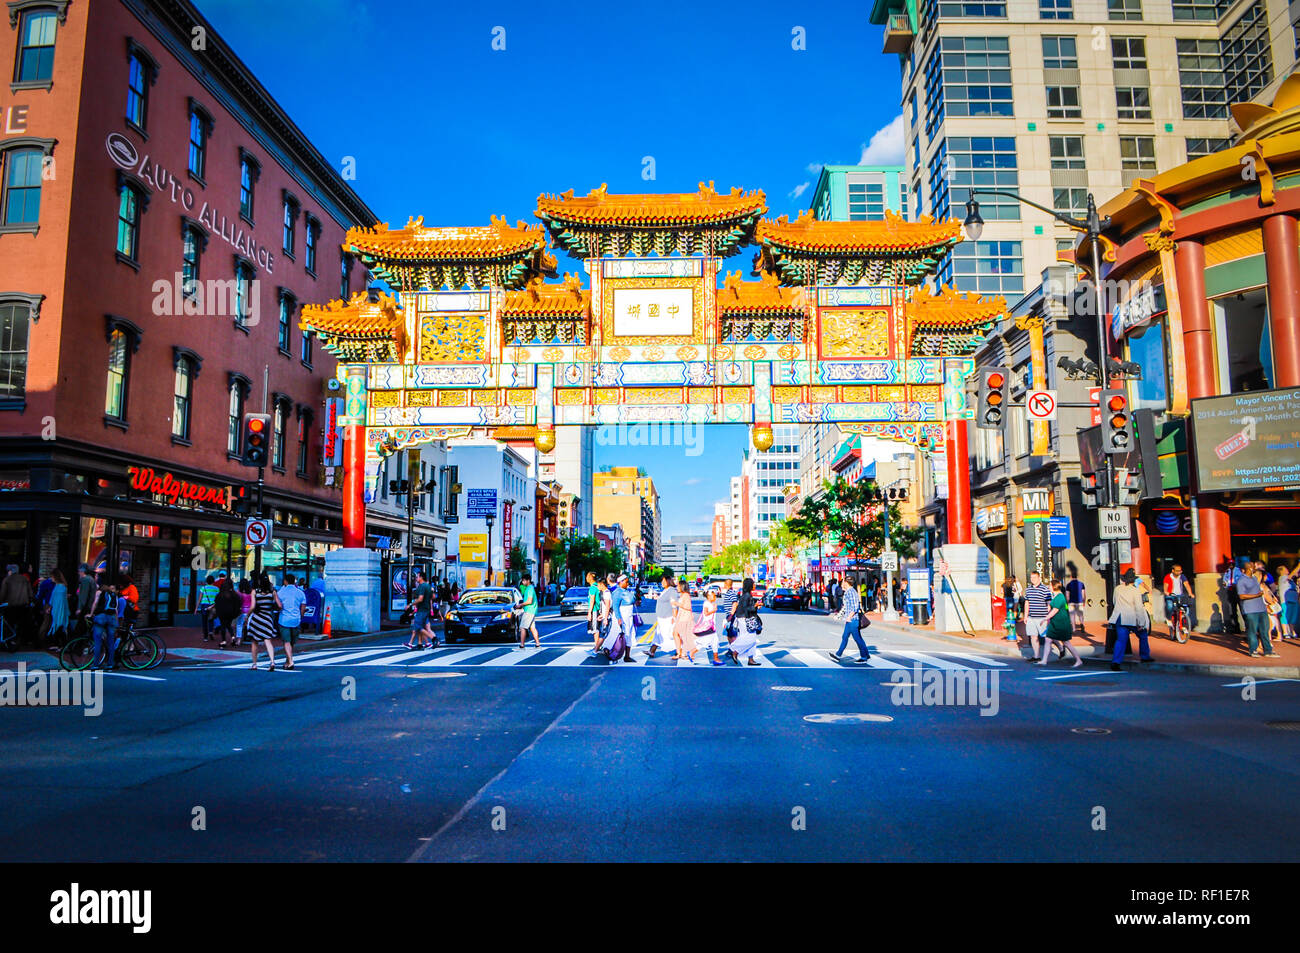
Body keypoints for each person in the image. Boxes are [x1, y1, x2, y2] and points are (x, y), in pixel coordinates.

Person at [1109, 569, 1153, 670]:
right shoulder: (1135, 590)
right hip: (1131, 617)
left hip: (1120, 616)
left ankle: (1116, 661)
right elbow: (1138, 607)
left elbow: (1114, 601)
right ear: (1133, 580)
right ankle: (1144, 656)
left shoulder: (1117, 589)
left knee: (1120, 640)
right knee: (1143, 635)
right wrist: (1141, 622)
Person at [1036, 579, 1083, 668]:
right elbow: (1051, 607)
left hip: (1061, 624)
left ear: (1054, 586)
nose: (1048, 587)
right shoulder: (1056, 596)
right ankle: (1044, 660)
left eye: (1050, 585)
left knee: (1066, 643)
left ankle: (1078, 660)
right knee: (1048, 639)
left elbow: (1055, 610)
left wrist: (1045, 619)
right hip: (1055, 623)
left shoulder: (1060, 597)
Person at [1236, 562, 1279, 658]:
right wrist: (1257, 595)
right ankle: (1253, 650)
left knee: (1265, 630)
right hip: (1250, 610)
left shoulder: (1255, 579)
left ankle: (1268, 650)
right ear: (1248, 569)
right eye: (1253, 567)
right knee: (1252, 631)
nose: (1254, 568)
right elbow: (1241, 596)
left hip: (1261, 608)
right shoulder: (1241, 581)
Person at [829, 571, 871, 663]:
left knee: (856, 638)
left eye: (843, 582)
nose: (842, 584)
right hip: (851, 619)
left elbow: (855, 606)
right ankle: (839, 655)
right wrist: (839, 616)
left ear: (847, 583)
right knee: (846, 637)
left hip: (852, 620)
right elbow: (845, 606)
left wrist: (849, 617)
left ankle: (863, 657)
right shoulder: (849, 592)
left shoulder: (851, 592)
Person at [246, 572, 281, 670]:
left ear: (259, 581)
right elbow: (279, 605)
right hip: (267, 618)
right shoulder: (273, 592)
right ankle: (272, 662)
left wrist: (247, 616)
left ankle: (254, 664)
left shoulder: (255, 591)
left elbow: (252, 606)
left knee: (254, 641)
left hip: (257, 617)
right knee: (268, 641)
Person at [726, 578, 763, 666]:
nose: (754, 586)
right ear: (749, 585)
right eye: (753, 584)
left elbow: (747, 608)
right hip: (745, 619)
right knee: (752, 639)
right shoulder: (747, 596)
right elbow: (747, 609)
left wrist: (756, 606)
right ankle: (733, 650)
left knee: (749, 638)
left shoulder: (746, 595)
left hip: (742, 618)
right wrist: (756, 605)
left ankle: (750, 659)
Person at [276, 572, 308, 669]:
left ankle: (290, 661)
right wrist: (301, 616)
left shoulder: (280, 592)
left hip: (284, 619)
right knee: (292, 642)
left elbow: (278, 606)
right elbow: (303, 607)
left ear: (285, 581)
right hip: (296, 619)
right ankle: (288, 661)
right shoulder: (300, 592)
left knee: (286, 641)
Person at [87, 578, 118, 670]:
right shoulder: (113, 594)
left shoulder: (99, 592)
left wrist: (91, 614)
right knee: (111, 642)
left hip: (101, 617)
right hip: (111, 618)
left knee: (97, 641)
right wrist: (116, 621)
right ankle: (110, 664)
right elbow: (116, 609)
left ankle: (96, 664)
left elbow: (95, 603)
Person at [646, 569, 677, 659]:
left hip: (667, 617)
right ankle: (651, 651)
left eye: (663, 581)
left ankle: (680, 650)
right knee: (658, 635)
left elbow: (674, 605)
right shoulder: (665, 590)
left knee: (668, 636)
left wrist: (674, 618)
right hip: (662, 617)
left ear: (668, 581)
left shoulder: (672, 591)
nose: (662, 583)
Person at [1022, 571, 1053, 659]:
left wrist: (1048, 617)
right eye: (1031, 577)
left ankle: (1060, 647)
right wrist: (1025, 616)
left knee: (1047, 636)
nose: (1033, 579)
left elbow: (1049, 604)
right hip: (1031, 617)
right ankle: (1036, 656)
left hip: (1042, 617)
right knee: (1033, 636)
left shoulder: (1045, 589)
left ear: (1039, 578)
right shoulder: (1028, 589)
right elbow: (1027, 603)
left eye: (1034, 577)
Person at [607, 574, 637, 662]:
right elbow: (615, 607)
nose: (628, 584)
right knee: (620, 636)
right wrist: (619, 618)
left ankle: (627, 656)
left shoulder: (626, 591)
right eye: (626, 582)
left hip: (629, 616)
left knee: (629, 635)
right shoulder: (617, 592)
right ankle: (613, 653)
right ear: (621, 582)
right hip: (623, 616)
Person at [0, 563, 33, 645]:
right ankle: (22, 640)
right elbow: (30, 593)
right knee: (23, 623)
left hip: (10, 606)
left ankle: (10, 640)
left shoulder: (7, 580)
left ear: (10, 571)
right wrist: (30, 601)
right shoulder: (25, 579)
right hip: (23, 606)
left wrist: (1, 602)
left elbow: (2, 594)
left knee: (9, 623)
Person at [406, 570, 436, 650]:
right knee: (421, 626)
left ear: (421, 577)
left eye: (417, 577)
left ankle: (433, 639)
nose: (416, 578)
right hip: (426, 609)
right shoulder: (428, 586)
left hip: (422, 609)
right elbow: (433, 597)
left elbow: (420, 599)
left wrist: (410, 604)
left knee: (418, 626)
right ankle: (419, 644)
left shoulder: (422, 586)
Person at [695, 589, 725, 665]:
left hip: (711, 626)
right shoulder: (706, 603)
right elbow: (705, 613)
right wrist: (714, 610)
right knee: (705, 642)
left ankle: (716, 658)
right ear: (708, 596)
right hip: (708, 626)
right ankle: (692, 652)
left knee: (715, 641)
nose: (715, 597)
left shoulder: (711, 603)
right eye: (713, 595)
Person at [671, 579, 697, 662]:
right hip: (681, 618)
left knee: (683, 636)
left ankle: (684, 653)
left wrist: (676, 603)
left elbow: (688, 607)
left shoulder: (686, 595)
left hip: (685, 619)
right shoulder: (682, 595)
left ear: (682, 586)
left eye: (678, 586)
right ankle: (680, 653)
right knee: (676, 634)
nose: (677, 587)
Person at [1162, 563, 1194, 630]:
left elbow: (1186, 584)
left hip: (1180, 595)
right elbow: (1165, 586)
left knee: (1185, 608)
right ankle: (1168, 619)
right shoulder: (1168, 577)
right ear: (1173, 570)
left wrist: (1190, 593)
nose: (1179, 572)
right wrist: (1166, 592)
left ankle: (1183, 621)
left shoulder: (1182, 576)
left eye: (1180, 571)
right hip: (1171, 595)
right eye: (1177, 571)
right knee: (1169, 606)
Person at [214, 576, 241, 648]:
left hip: (222, 612)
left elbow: (217, 603)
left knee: (223, 625)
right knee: (228, 624)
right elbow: (238, 603)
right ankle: (232, 637)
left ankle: (224, 641)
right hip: (231, 613)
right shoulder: (234, 595)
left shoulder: (220, 595)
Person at [517, 573, 540, 649]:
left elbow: (529, 601)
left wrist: (521, 605)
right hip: (532, 610)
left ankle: (522, 644)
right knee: (532, 628)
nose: (523, 582)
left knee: (522, 627)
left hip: (529, 610)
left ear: (528, 580)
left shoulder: (530, 588)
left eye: (524, 581)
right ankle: (537, 643)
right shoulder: (529, 588)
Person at [47, 568, 70, 644]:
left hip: (59, 610)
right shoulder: (60, 587)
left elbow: (55, 599)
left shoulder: (60, 587)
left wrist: (50, 607)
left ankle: (61, 644)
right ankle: (60, 644)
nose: (51, 579)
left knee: (59, 625)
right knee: (59, 625)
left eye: (52, 577)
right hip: (58, 609)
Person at [1221, 561, 1244, 634]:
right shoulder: (1227, 571)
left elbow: (1241, 580)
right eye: (1229, 564)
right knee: (1233, 610)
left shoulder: (1238, 570)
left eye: (1232, 564)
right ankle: (1236, 627)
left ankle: (1247, 626)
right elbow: (1225, 581)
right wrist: (1225, 584)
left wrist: (1236, 585)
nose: (1230, 566)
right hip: (1230, 591)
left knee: (1242, 609)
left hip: (1237, 590)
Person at [74, 564, 96, 637]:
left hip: (85, 608)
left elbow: (84, 595)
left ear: (82, 571)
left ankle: (77, 646)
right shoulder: (91, 579)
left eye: (79, 571)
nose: (78, 573)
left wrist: (80, 608)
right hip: (88, 607)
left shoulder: (85, 580)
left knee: (80, 628)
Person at [196, 574, 219, 641]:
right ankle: (211, 631)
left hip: (204, 605)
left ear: (206, 581)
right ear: (213, 581)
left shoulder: (203, 588)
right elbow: (217, 599)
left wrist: (196, 608)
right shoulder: (216, 589)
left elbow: (199, 599)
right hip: (212, 605)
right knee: (211, 619)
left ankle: (205, 637)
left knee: (204, 621)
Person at [1279, 564, 1298, 641]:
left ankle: (1292, 630)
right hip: (1286, 601)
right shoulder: (1282, 578)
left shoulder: (1291, 581)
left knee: (1293, 616)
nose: (1287, 570)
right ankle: (1285, 632)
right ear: (1281, 571)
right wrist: (1298, 567)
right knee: (1285, 615)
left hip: (1293, 599)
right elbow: (1291, 575)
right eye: (1285, 569)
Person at [236, 577, 254, 645]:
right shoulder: (251, 591)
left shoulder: (238, 592)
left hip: (241, 610)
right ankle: (250, 638)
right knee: (249, 625)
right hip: (250, 610)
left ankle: (238, 640)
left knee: (239, 625)